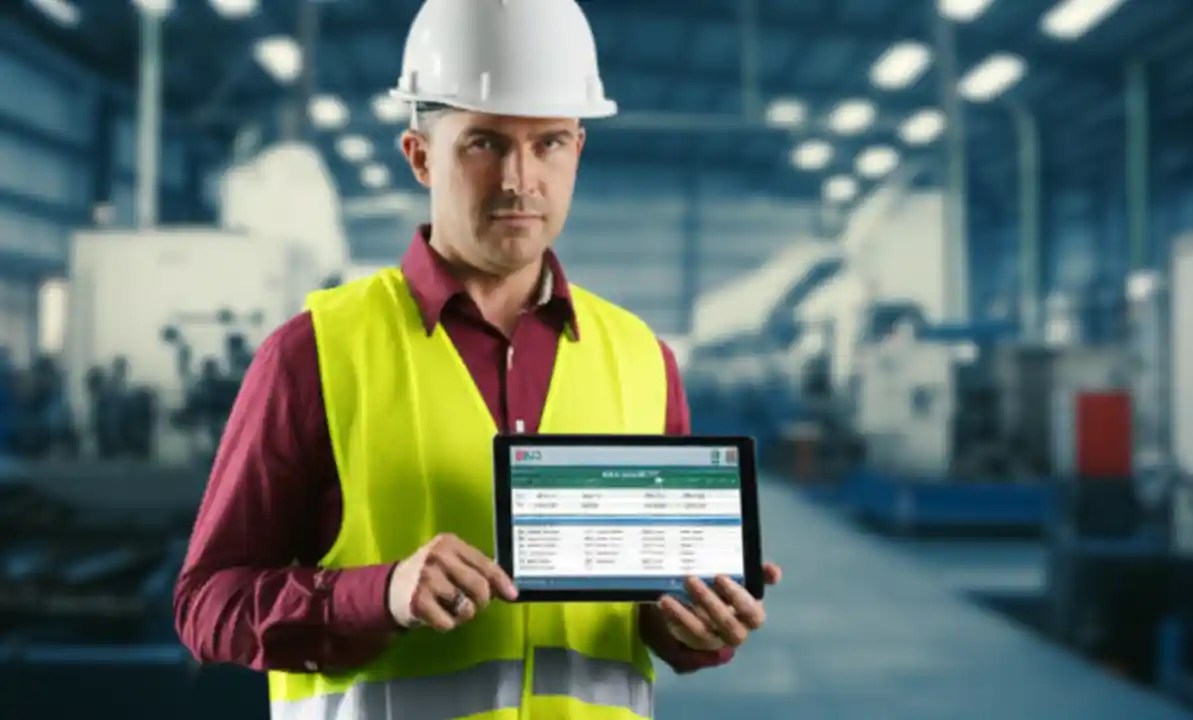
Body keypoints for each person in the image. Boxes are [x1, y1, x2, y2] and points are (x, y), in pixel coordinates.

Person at [173, 0, 782, 718]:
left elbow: (650, 612)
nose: (520, 179)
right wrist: (379, 593)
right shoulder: (313, 355)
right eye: (485, 143)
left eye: (549, 142)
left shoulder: (641, 359)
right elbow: (206, 605)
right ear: (421, 155)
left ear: (578, 150)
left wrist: (701, 626)